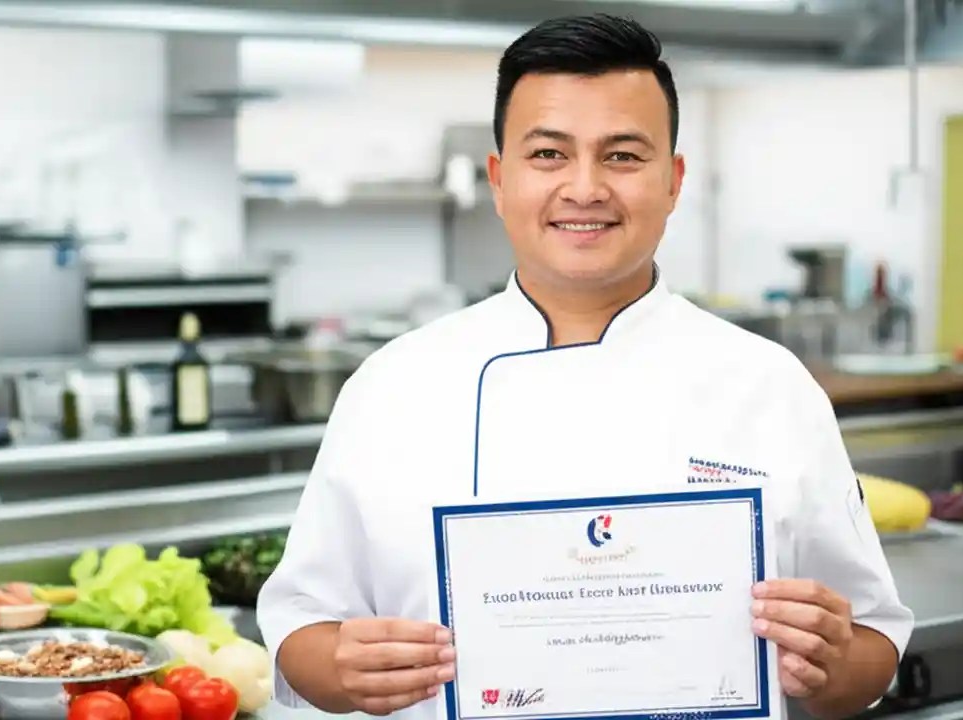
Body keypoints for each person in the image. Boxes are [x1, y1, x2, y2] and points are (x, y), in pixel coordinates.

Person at [257, 13, 912, 720]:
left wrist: (834, 662)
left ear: (673, 180)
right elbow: (300, 626)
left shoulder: (769, 385)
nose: (585, 187)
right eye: (549, 155)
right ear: (500, 179)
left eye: (624, 156)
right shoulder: (392, 387)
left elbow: (874, 643)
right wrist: (343, 667)